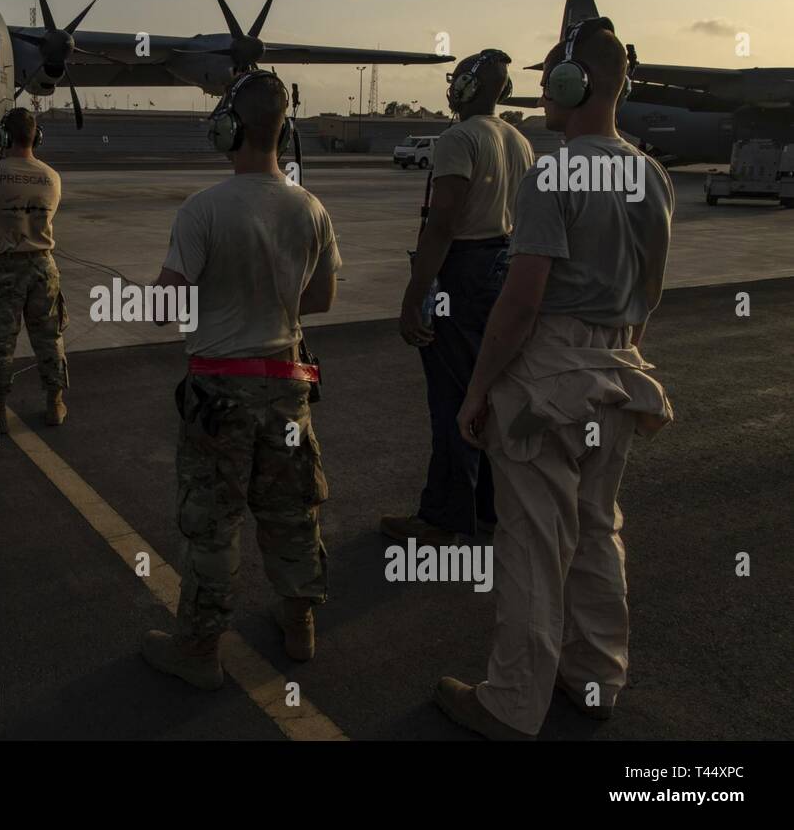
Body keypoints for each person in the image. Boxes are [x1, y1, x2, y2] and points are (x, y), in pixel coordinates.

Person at [435, 19, 674, 739]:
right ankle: (595, 677)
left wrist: (477, 391)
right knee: (598, 532)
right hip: (620, 370)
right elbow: (651, 289)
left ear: (576, 84)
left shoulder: (558, 169)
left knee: (534, 545)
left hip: (550, 373)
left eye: (548, 84)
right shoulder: (651, 173)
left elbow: (522, 298)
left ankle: (511, 702)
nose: (541, 96)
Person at [141, 70, 341, 689]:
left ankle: (199, 651)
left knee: (213, 521)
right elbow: (324, 299)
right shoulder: (310, 207)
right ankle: (298, 622)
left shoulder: (204, 209)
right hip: (286, 386)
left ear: (227, 127)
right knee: (292, 513)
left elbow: (169, 307)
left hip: (219, 395)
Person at [388, 49, 535, 546]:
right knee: (488, 389)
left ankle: (445, 517)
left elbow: (444, 221)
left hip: (462, 271)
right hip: (502, 267)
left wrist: (414, 295)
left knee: (451, 394)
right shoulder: (519, 140)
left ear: (466, 88)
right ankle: (488, 509)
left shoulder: (459, 138)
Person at [0, 108, 68, 430]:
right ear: (36, 137)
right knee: (49, 338)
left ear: (3, 137)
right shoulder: (51, 177)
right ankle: (54, 404)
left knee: (0, 342)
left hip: (5, 267)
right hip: (43, 266)